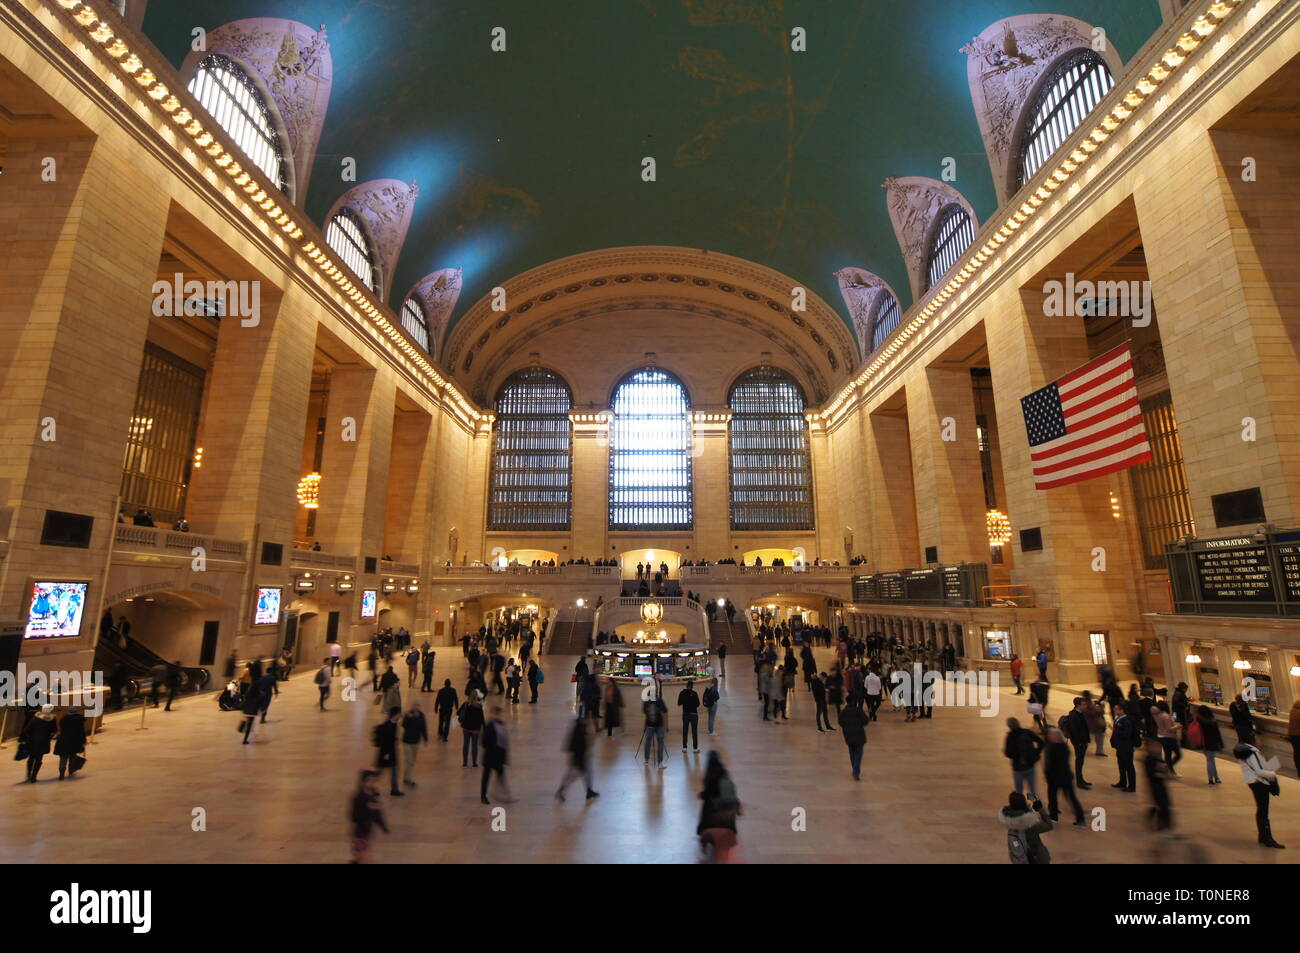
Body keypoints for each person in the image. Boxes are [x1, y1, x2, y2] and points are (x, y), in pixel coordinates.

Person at [1235, 740, 1284, 848]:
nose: (1260, 741)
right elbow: (1259, 771)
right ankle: (1268, 839)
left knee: (1260, 810)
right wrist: (1272, 773)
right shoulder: (1253, 752)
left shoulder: (1241, 751)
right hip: (1260, 783)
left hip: (1252, 782)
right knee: (1263, 811)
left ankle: (1262, 836)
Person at [697, 751, 742, 863]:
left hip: (715, 818)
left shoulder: (709, 776)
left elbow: (708, 795)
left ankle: (706, 845)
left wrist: (702, 794)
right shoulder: (724, 772)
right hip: (729, 820)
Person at [1043, 726, 1087, 828]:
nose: (1049, 737)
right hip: (1066, 777)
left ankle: (1054, 817)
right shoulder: (1064, 747)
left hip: (1056, 778)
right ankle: (1080, 819)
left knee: (1054, 797)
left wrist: (1047, 774)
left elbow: (1051, 765)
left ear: (1055, 737)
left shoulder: (1054, 749)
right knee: (1070, 798)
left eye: (1050, 735)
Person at [999, 792, 1054, 864]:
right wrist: (1040, 808)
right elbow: (1049, 825)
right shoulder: (1030, 826)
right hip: (1037, 859)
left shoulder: (1011, 825)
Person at [555, 716, 599, 801]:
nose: (589, 722)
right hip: (578, 758)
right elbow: (579, 745)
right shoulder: (580, 729)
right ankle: (561, 791)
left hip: (578, 757)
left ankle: (588, 791)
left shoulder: (579, 727)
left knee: (580, 774)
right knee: (574, 775)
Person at [349, 770, 389, 864]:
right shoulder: (358, 797)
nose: (371, 783)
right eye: (369, 781)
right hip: (360, 833)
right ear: (363, 782)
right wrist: (367, 808)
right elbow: (354, 816)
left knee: (361, 856)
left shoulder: (372, 796)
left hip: (367, 831)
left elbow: (377, 814)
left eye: (373, 781)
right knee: (365, 858)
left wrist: (383, 826)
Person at [1004, 717, 1043, 801]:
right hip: (1030, 765)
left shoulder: (1010, 737)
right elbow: (1041, 742)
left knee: (1019, 791)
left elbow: (1008, 753)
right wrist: (1036, 752)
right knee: (1031, 789)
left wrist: (1015, 756)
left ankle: (1021, 806)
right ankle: (1036, 807)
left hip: (1018, 768)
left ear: (1009, 726)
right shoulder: (1027, 732)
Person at [481, 705, 513, 804]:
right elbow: (483, 742)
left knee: (501, 776)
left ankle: (506, 795)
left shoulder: (502, 724)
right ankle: (483, 796)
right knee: (486, 777)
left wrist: (505, 756)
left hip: (498, 756)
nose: (499, 716)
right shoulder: (489, 726)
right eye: (498, 714)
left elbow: (505, 742)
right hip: (490, 756)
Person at [20, 704, 58, 782]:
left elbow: (27, 730)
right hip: (44, 741)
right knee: (39, 759)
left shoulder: (35, 718)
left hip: (32, 741)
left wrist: (29, 737)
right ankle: (34, 777)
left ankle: (28, 775)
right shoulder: (52, 719)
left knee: (31, 758)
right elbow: (54, 730)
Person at [1110, 703, 1141, 793]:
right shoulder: (1118, 719)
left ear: (1122, 710)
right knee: (1121, 766)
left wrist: (1116, 730)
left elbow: (1127, 734)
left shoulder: (1127, 720)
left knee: (1129, 766)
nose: (1115, 711)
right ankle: (1122, 782)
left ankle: (1132, 786)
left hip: (1126, 747)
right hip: (1120, 746)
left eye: (1116, 709)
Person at [374, 706, 403, 796]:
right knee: (379, 773)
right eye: (399, 713)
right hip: (386, 753)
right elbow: (385, 741)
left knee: (393, 771)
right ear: (395, 714)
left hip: (391, 753)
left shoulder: (393, 723)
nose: (400, 715)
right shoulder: (388, 725)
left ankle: (394, 789)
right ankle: (369, 787)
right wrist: (386, 754)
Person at [1064, 697, 1092, 788]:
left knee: (1080, 761)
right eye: (1083, 704)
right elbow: (1074, 731)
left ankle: (1081, 779)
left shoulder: (1080, 713)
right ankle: (1079, 782)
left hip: (1082, 742)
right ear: (1078, 705)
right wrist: (1079, 742)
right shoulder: (1074, 716)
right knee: (1079, 762)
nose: (1085, 706)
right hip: (1079, 743)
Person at [54, 705, 87, 779]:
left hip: (63, 740)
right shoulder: (79, 720)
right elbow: (81, 731)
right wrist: (83, 741)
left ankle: (61, 773)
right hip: (74, 741)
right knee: (72, 756)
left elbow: (61, 727)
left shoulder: (63, 719)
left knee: (63, 757)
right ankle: (71, 770)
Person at [1194, 705, 1224, 785]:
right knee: (1211, 760)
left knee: (1210, 760)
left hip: (1204, 742)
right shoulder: (1213, 721)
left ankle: (1212, 779)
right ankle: (1215, 778)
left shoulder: (1199, 720)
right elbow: (1218, 734)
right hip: (1213, 742)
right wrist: (1221, 745)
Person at [401, 701, 428, 788]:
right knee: (409, 761)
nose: (416, 707)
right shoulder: (407, 714)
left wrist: (425, 739)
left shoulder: (421, 715)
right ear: (412, 706)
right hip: (407, 741)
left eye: (418, 705)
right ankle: (409, 779)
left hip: (416, 741)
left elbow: (423, 727)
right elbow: (404, 725)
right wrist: (408, 718)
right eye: (415, 705)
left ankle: (406, 778)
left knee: (411, 761)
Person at [838, 700, 868, 780]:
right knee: (858, 754)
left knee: (852, 754)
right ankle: (856, 771)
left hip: (849, 736)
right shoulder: (859, 711)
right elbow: (865, 721)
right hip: (859, 736)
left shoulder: (843, 712)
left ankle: (854, 769)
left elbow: (840, 722)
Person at [641, 685, 668, 769]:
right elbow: (665, 710)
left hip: (649, 724)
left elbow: (644, 711)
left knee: (648, 742)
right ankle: (660, 762)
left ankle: (646, 760)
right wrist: (666, 725)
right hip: (659, 725)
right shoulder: (659, 700)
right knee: (660, 742)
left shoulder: (646, 701)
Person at [1153, 701, 1182, 776]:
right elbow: (1169, 729)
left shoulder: (1158, 715)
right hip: (1169, 737)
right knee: (1178, 755)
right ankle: (1168, 767)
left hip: (1161, 736)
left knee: (1167, 754)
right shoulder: (1166, 716)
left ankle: (1171, 771)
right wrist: (1178, 726)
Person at [458, 693, 484, 767]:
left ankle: (465, 763)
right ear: (476, 698)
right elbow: (482, 719)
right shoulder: (479, 706)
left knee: (466, 745)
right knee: (474, 745)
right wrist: (484, 728)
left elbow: (458, 712)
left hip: (466, 727)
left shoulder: (466, 704)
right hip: (475, 729)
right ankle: (474, 763)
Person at [678, 679, 701, 752]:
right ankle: (695, 748)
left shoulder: (682, 693)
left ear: (686, 686)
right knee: (694, 732)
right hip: (694, 714)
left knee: (685, 731)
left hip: (685, 714)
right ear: (692, 686)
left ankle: (684, 748)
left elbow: (679, 703)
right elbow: (698, 704)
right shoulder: (695, 693)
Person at [239, 680, 261, 744]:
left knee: (248, 724)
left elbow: (245, 699)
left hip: (246, 711)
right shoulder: (259, 694)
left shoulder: (248, 693)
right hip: (253, 712)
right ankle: (245, 739)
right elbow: (259, 704)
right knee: (250, 725)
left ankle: (245, 738)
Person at [1289, 698, 1300, 778]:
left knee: (1297, 753)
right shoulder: (1299, 712)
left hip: (1293, 736)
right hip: (1298, 736)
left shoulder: (1292, 711)